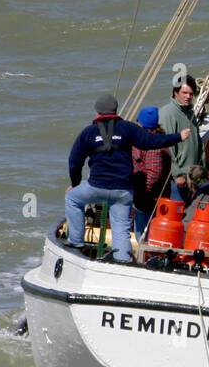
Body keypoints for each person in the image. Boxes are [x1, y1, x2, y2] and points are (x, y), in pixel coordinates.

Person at [65, 94, 187, 262]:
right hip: (123, 191)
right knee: (121, 228)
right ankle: (122, 261)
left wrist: (75, 183)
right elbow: (151, 141)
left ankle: (76, 243)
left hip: (96, 187)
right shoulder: (128, 128)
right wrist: (178, 137)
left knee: (72, 198)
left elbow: (74, 161)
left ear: (98, 113)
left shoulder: (88, 132)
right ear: (115, 111)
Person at [158, 74, 203, 203]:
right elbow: (166, 146)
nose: (188, 97)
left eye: (191, 94)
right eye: (184, 93)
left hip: (192, 177)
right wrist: (176, 174)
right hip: (177, 180)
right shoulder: (167, 114)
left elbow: (198, 143)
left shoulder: (190, 113)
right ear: (175, 92)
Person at [131, 106, 170, 239]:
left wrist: (141, 192)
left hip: (148, 201)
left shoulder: (154, 144)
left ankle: (146, 258)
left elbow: (154, 174)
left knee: (144, 237)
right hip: (143, 199)